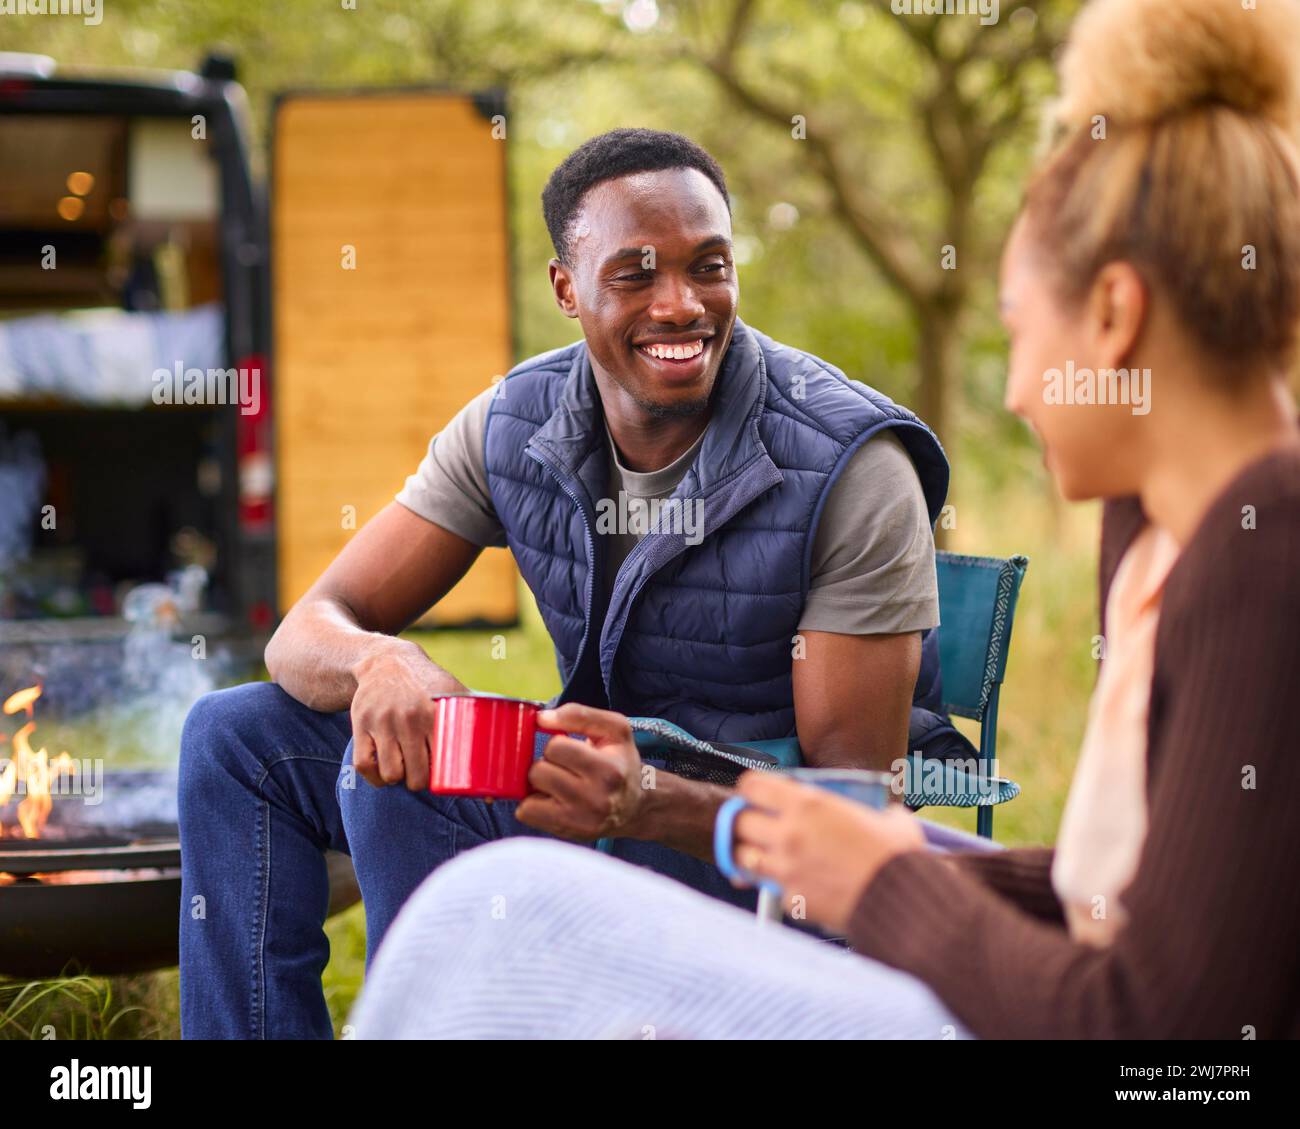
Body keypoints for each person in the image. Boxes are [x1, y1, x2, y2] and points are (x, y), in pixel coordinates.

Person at [348, 0, 1300, 1040]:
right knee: (499, 909)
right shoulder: (1162, 529)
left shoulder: (1265, 549)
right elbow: (1107, 905)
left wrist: (884, 880)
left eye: (1021, 330)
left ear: (1111, 318)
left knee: (524, 924)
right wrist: (742, 821)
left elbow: (1177, 1034)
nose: (1019, 389)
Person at [178, 128, 957, 1038]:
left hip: (727, 844)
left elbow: (855, 808)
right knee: (235, 737)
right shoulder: (515, 422)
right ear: (566, 289)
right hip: (589, 796)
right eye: (635, 274)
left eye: (709, 266)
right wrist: (378, 663)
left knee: (394, 773)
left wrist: (651, 803)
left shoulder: (849, 464)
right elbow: (306, 629)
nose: (682, 305)